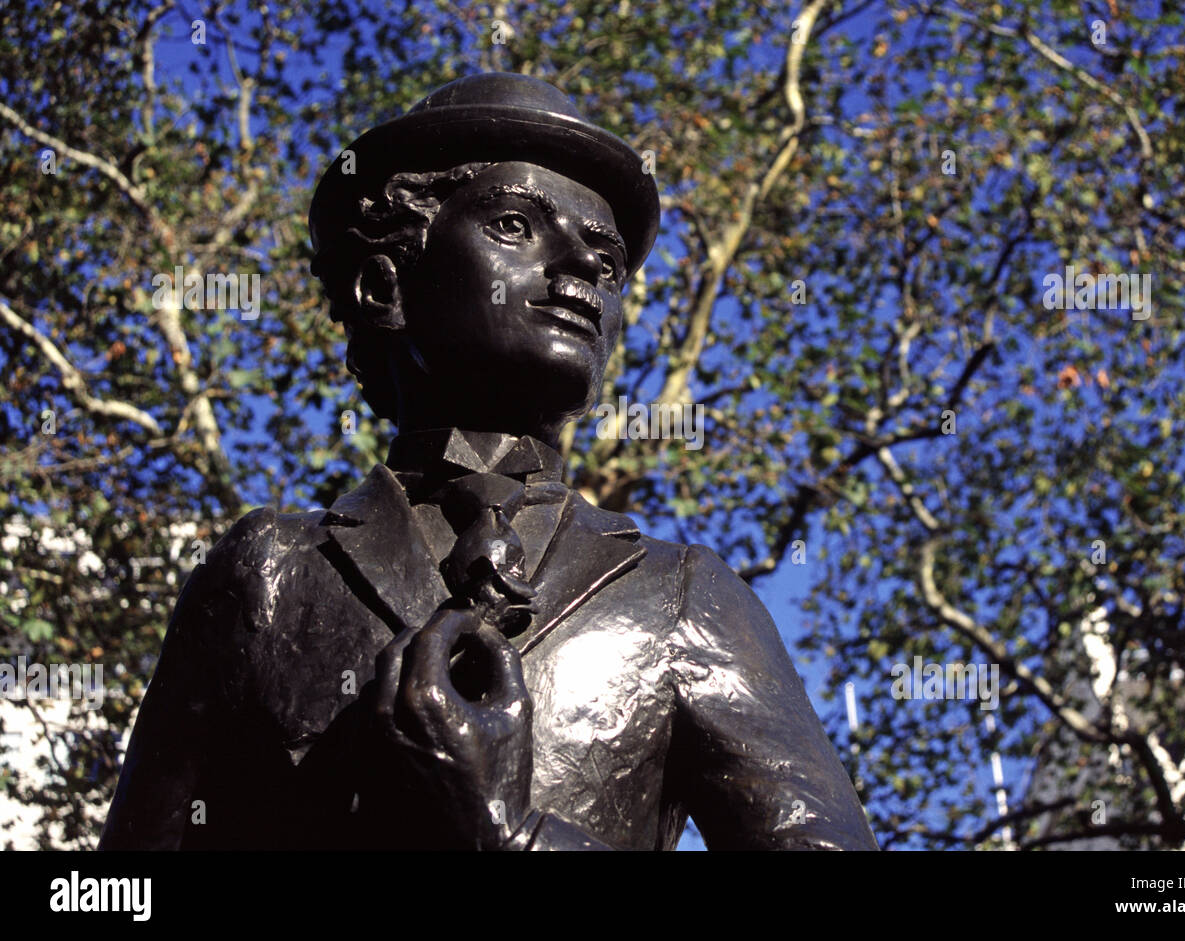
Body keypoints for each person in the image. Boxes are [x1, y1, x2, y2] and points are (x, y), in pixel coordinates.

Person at [100, 72, 878, 851]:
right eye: (514, 224)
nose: (580, 272)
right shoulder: (270, 571)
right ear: (385, 284)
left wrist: (517, 837)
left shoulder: (684, 595)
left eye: (606, 266)